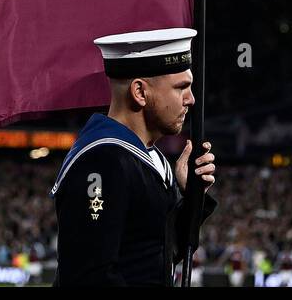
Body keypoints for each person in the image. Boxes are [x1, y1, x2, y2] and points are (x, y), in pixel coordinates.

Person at [51, 27, 218, 286]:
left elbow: (157, 256)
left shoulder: (151, 157)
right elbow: (90, 278)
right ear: (140, 92)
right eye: (181, 87)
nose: (191, 99)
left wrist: (192, 197)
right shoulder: (102, 159)